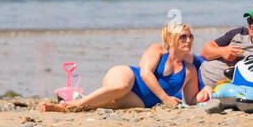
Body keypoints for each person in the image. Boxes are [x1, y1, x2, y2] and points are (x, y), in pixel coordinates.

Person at [40, 23, 203, 111]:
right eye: (183, 37)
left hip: (141, 101)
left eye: (190, 36)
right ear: (171, 40)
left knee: (109, 105)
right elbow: (146, 73)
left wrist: (206, 93)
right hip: (130, 77)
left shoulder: (190, 70)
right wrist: (166, 99)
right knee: (120, 87)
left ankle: (64, 107)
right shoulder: (157, 50)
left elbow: (190, 100)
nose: (188, 40)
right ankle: (74, 104)